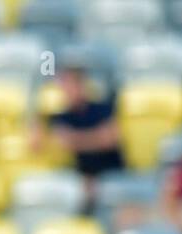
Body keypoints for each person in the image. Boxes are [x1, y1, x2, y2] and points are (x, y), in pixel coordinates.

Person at [40, 66, 124, 195]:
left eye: (70, 85)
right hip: (79, 178)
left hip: (111, 174)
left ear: (81, 86)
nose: (67, 91)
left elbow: (110, 139)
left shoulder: (102, 109)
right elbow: (60, 142)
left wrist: (75, 139)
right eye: (63, 86)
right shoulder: (60, 116)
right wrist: (95, 138)